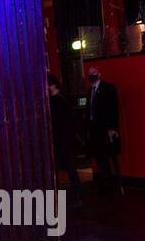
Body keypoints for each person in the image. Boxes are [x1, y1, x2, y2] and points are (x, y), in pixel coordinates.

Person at [85, 67, 121, 196]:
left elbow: (114, 109)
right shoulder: (90, 91)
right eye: (89, 74)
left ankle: (111, 185)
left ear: (99, 74)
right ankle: (106, 184)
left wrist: (112, 128)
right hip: (95, 131)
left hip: (105, 129)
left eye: (94, 73)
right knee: (100, 158)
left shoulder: (108, 88)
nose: (91, 75)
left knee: (107, 157)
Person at [48, 73, 82, 205]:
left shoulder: (54, 102)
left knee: (61, 169)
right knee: (71, 169)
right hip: (66, 140)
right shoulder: (63, 99)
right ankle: (77, 195)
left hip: (60, 140)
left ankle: (62, 197)